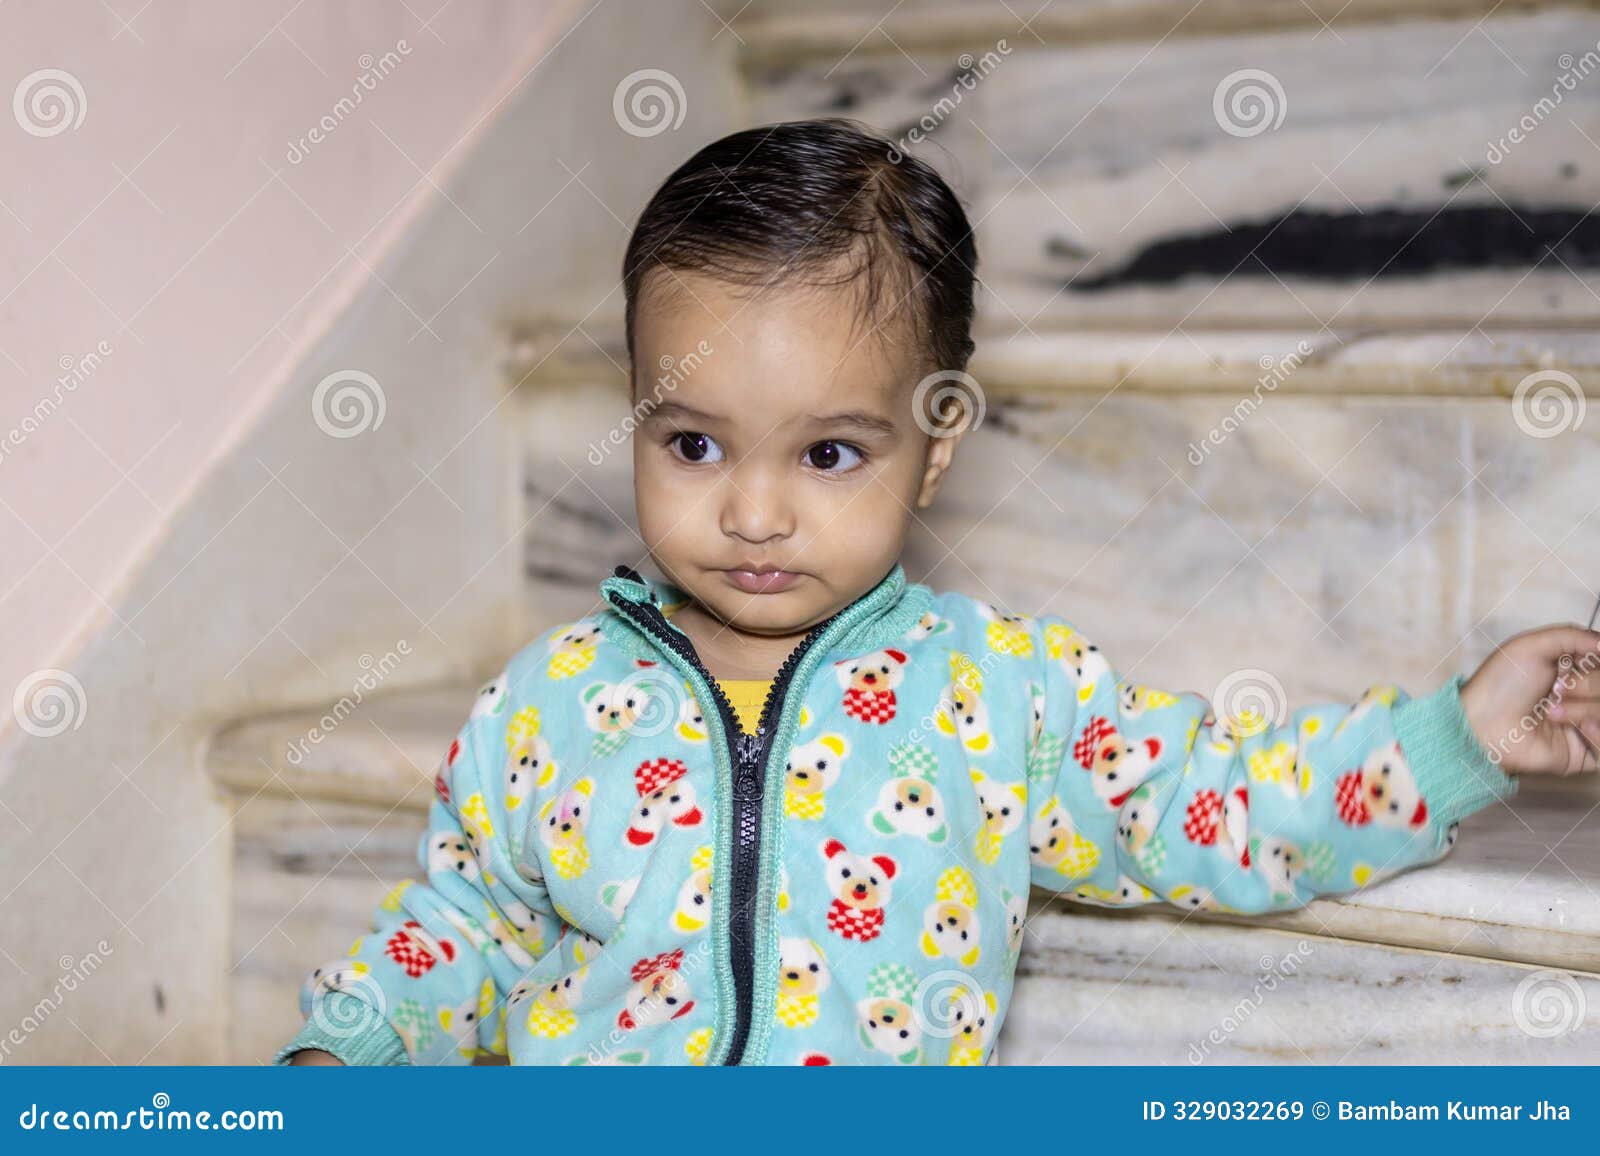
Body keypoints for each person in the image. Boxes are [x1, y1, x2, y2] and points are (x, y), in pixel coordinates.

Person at [276, 118, 1600, 1066]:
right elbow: (465, 927)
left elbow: (1213, 808)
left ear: (937, 443)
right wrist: (345, 1058)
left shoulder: (998, 695)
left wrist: (1462, 737)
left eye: (830, 453)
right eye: (692, 444)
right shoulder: (551, 702)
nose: (749, 510)